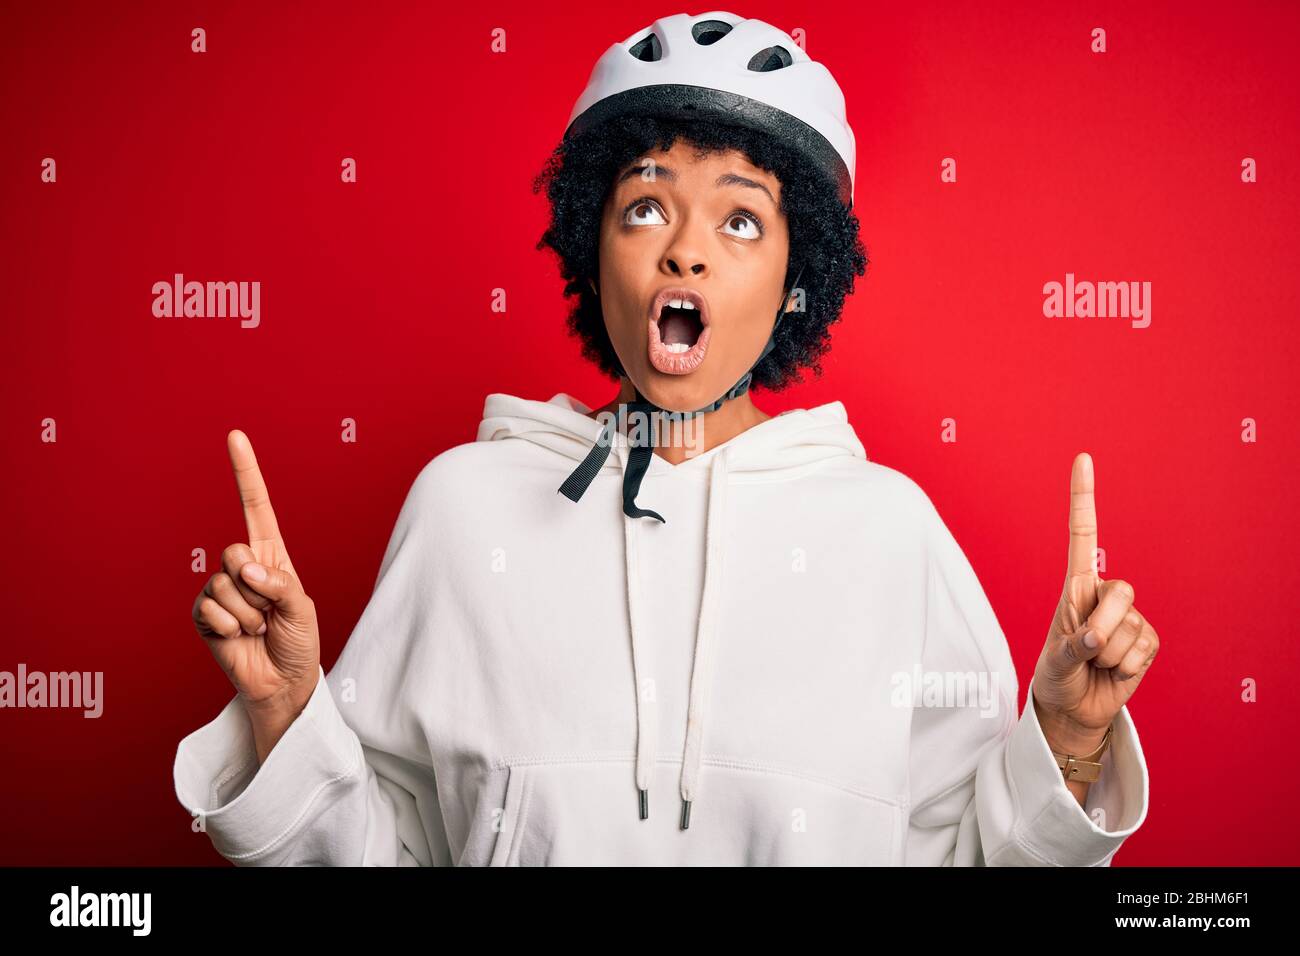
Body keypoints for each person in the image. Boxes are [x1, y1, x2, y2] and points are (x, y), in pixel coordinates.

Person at [174, 11, 1155, 865]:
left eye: (740, 219)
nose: (683, 244)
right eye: (645, 206)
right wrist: (286, 712)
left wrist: (1068, 738)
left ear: (793, 278)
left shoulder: (889, 531)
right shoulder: (462, 507)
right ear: (590, 248)